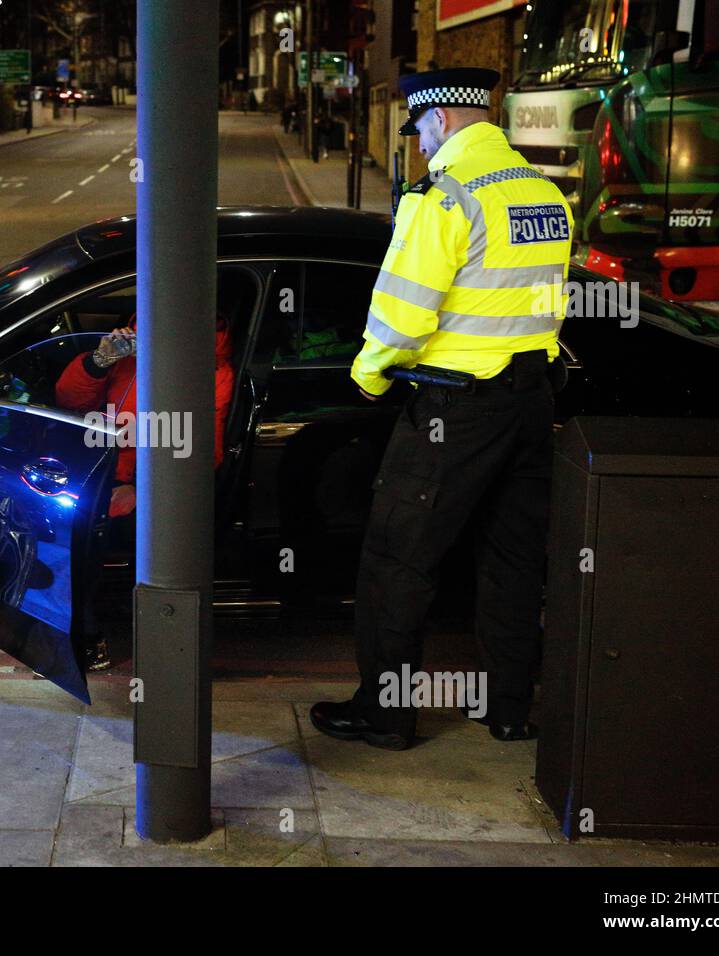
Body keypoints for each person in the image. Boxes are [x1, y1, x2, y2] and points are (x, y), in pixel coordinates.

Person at [309, 68, 574, 750]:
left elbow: (400, 310)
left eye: (420, 129)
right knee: (512, 561)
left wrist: (369, 376)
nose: (419, 144)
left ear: (442, 120)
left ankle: (385, 714)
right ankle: (510, 710)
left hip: (455, 409)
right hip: (529, 400)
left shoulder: (443, 197)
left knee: (398, 559)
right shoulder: (543, 192)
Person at [55, 313, 236, 669]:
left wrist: (139, 490)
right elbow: (70, 401)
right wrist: (99, 361)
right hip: (105, 467)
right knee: (69, 519)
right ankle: (79, 630)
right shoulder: (129, 352)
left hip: (157, 483)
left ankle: (121, 639)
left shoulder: (213, 370)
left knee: (124, 531)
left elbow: (201, 450)